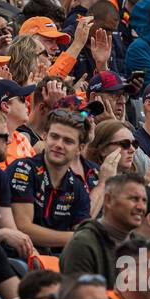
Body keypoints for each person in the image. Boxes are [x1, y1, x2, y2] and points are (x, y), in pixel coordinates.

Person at [7, 109, 92, 254]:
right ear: (45, 136)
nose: (59, 144)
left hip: (57, 261)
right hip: (17, 257)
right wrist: (76, 237)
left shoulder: (77, 186)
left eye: (68, 141)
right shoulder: (24, 169)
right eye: (54, 136)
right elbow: (23, 227)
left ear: (80, 148)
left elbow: (84, 232)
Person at [62, 173, 147, 278]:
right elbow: (81, 293)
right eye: (134, 199)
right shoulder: (83, 244)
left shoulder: (142, 247)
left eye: (144, 201)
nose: (141, 207)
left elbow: (146, 293)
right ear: (108, 200)